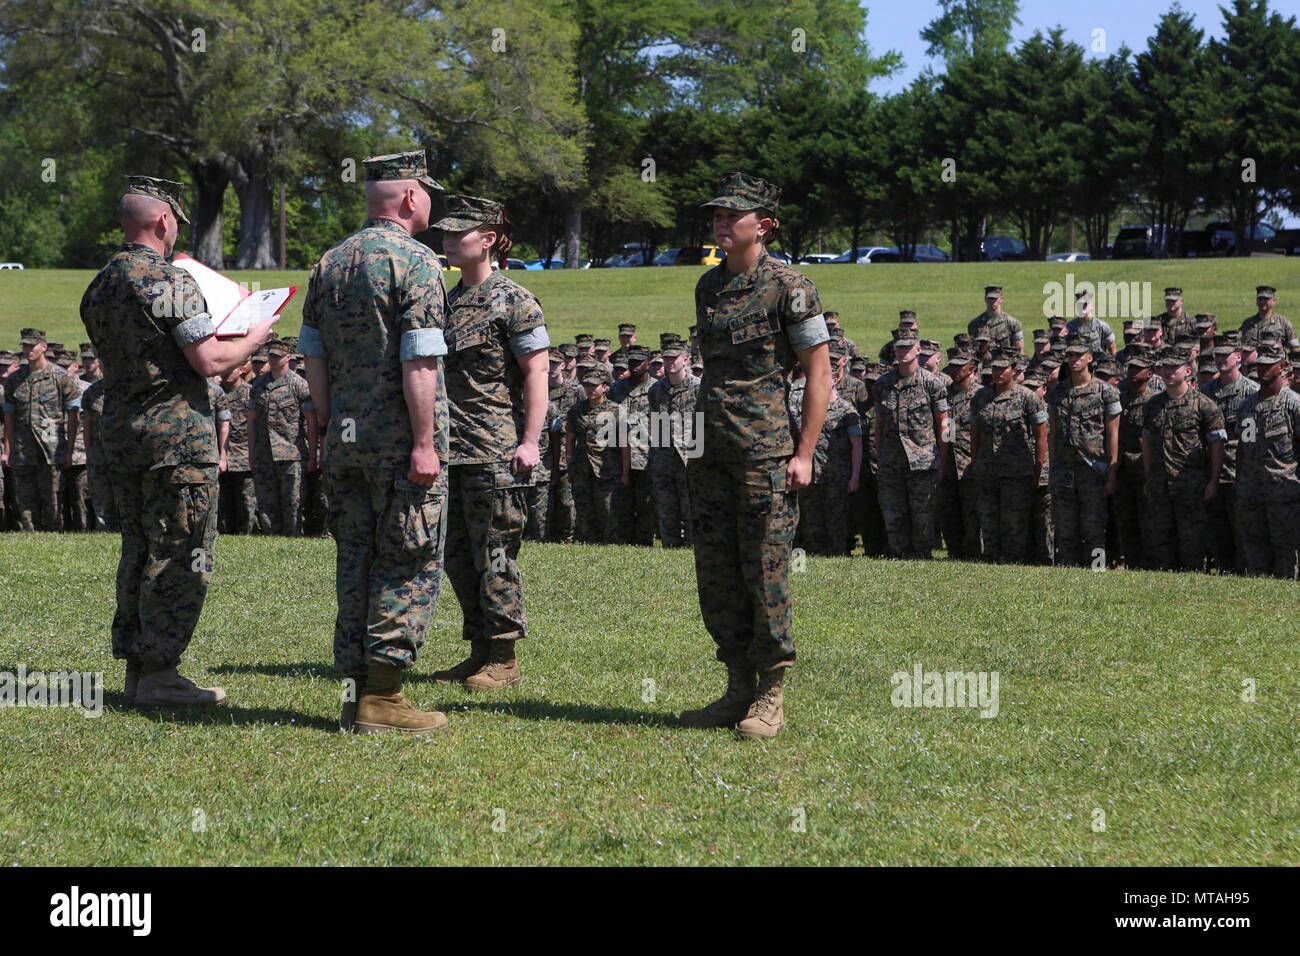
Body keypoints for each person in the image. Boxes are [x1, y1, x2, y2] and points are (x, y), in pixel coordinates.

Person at [81, 175, 274, 706]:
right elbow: (208, 360)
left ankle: (139, 671)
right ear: (164, 221)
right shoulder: (166, 281)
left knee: (140, 549)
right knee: (181, 550)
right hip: (175, 441)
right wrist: (256, 336)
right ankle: (161, 675)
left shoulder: (100, 284)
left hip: (124, 436)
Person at [298, 150, 452, 734]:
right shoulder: (416, 262)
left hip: (346, 441)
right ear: (411, 198)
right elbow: (420, 360)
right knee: (407, 558)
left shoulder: (330, 261)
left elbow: (311, 352)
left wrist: (329, 421)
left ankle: (353, 692)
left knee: (355, 561)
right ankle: (383, 699)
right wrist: (423, 443)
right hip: (398, 444)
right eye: (428, 193)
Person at [679, 172, 830, 740]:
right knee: (716, 574)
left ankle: (770, 693)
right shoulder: (708, 287)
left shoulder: (791, 287)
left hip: (765, 454)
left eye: (729, 216)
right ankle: (737, 686)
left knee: (765, 573)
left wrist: (805, 452)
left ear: (762, 225)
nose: (719, 223)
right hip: (711, 452)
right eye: (715, 215)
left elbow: (819, 373)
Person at [429, 194, 550, 690]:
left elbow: (537, 370)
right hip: (447, 449)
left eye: (462, 233)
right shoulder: (442, 300)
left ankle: (504, 656)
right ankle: (479, 649)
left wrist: (530, 441)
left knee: (496, 553)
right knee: (457, 555)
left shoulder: (515, 300)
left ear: (492, 239)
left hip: (496, 450)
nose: (450, 240)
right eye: (446, 232)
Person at [1141, 346, 1226, 572]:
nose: (1169, 373)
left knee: (1192, 543)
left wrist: (1213, 481)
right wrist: (1149, 476)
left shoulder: (1203, 405)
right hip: (1160, 485)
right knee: (1162, 542)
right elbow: (1147, 441)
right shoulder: (1153, 405)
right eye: (1165, 368)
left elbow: (1217, 445)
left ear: (1187, 371)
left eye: (1174, 368)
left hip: (1191, 485)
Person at [873, 331, 950, 560]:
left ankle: (922, 557)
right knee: (893, 515)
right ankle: (899, 556)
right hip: (891, 462)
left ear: (918, 350)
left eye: (909, 347)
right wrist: (880, 456)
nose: (903, 352)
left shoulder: (932, 384)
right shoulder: (882, 384)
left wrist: (942, 462)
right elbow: (878, 425)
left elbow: (945, 425)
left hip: (922, 462)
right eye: (899, 347)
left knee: (922, 516)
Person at [1046, 334, 1120, 567]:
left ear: (1089, 357)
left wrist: (1111, 473)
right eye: (1070, 355)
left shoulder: (1105, 392)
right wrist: (1050, 470)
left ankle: (1097, 569)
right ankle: (1068, 570)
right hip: (1064, 470)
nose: (1074, 359)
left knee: (1094, 527)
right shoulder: (1058, 393)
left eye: (1079, 355)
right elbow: (1052, 434)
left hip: (1093, 471)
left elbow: (1113, 435)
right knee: (1065, 527)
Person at [970, 348, 1047, 563]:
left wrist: (1038, 467)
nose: (997, 373)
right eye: (994, 368)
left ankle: (1013, 561)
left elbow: (1041, 435)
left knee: (1014, 523)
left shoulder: (1027, 397)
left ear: (1013, 370)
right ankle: (991, 558)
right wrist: (975, 463)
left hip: (1017, 471)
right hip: (987, 470)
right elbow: (974, 434)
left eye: (1002, 368)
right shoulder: (980, 397)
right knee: (988, 520)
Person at [3, 328, 80, 531]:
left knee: (53, 501)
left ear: (43, 347)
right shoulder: (15, 380)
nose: (28, 350)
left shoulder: (61, 377)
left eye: (32, 345)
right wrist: (8, 449)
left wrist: (70, 450)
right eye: (25, 346)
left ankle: (54, 537)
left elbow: (73, 416)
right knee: (25, 501)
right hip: (23, 450)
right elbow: (9, 417)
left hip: (52, 449)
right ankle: (31, 537)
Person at [1234, 342, 1300, 579]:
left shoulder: (1293, 404)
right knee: (1255, 553)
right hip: (1251, 493)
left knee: (1286, 556)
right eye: (1259, 365)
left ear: (1282, 367)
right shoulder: (1247, 406)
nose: (1262, 370)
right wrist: (1240, 482)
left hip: (1284, 495)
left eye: (1268, 365)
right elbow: (1244, 446)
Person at [247, 337, 316, 535]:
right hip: (264, 453)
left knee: (293, 503)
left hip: (291, 454)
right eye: (271, 356)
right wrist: (251, 453)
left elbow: (311, 421)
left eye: (278, 356)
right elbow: (252, 420)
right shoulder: (258, 386)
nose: (274, 360)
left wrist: (312, 455)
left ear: (287, 357)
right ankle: (271, 539)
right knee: (266, 501)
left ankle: (293, 538)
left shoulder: (299, 385)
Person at [1200, 336, 1257, 573]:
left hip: (1238, 472)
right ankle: (1223, 572)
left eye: (1226, 355)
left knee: (1243, 531)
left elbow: (1251, 441)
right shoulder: (1205, 392)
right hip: (1211, 473)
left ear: (1239, 357)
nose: (1221, 359)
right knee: (1216, 531)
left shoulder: (1250, 392)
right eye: (1217, 355)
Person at [1112, 343, 1163, 569]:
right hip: (1123, 471)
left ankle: (1150, 566)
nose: (1132, 373)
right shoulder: (1119, 399)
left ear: (1149, 374)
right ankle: (1132, 564)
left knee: (1149, 523)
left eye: (1138, 369)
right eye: (1130, 368)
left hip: (1146, 472)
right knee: (1126, 522)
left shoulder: (1155, 402)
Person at [647, 333, 699, 548]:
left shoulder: (698, 388)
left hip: (691, 459)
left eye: (674, 358)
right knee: (666, 510)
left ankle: (691, 550)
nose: (669, 363)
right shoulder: (656, 390)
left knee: (691, 511)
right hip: (663, 460)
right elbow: (654, 425)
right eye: (666, 359)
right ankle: (670, 549)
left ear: (686, 359)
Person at [566, 361, 621, 543]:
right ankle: (587, 542)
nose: (590, 389)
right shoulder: (576, 410)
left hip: (607, 468)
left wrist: (625, 471)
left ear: (604, 387)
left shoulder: (615, 410)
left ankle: (609, 542)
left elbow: (625, 444)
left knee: (606, 508)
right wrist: (570, 466)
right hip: (582, 467)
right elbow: (570, 441)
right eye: (587, 385)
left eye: (594, 386)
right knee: (584, 508)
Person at [609, 344, 655, 545]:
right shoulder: (617, 389)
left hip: (648, 457)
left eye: (639, 361)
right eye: (631, 361)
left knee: (646, 506)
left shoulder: (657, 389)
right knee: (622, 505)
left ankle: (644, 543)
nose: (635, 365)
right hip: (620, 458)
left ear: (648, 363)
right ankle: (623, 543)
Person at [937, 347, 979, 559]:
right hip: (948, 461)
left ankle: (973, 554)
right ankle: (954, 552)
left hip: (970, 463)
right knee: (948, 511)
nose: (955, 370)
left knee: (972, 513)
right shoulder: (944, 394)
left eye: (960, 366)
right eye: (952, 365)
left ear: (971, 368)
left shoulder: (979, 395)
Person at [217, 361, 257, 534]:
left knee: (246, 499)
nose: (226, 373)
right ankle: (225, 532)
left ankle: (245, 534)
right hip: (220, 454)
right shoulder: (215, 392)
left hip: (244, 454)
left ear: (241, 370)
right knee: (223, 499)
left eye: (230, 368)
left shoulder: (251, 393)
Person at [1239, 285, 1298, 352]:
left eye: (1266, 299)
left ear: (1274, 301)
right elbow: (1238, 346)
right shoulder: (1248, 324)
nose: (1262, 302)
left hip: (1276, 361)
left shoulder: (1283, 323)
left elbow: (1294, 348)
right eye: (1260, 299)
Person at [968, 285, 1024, 355]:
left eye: (995, 298)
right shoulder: (974, 325)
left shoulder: (1013, 324)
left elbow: (1020, 352)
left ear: (1001, 299)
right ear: (985, 299)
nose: (992, 301)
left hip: (1005, 362)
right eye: (990, 298)